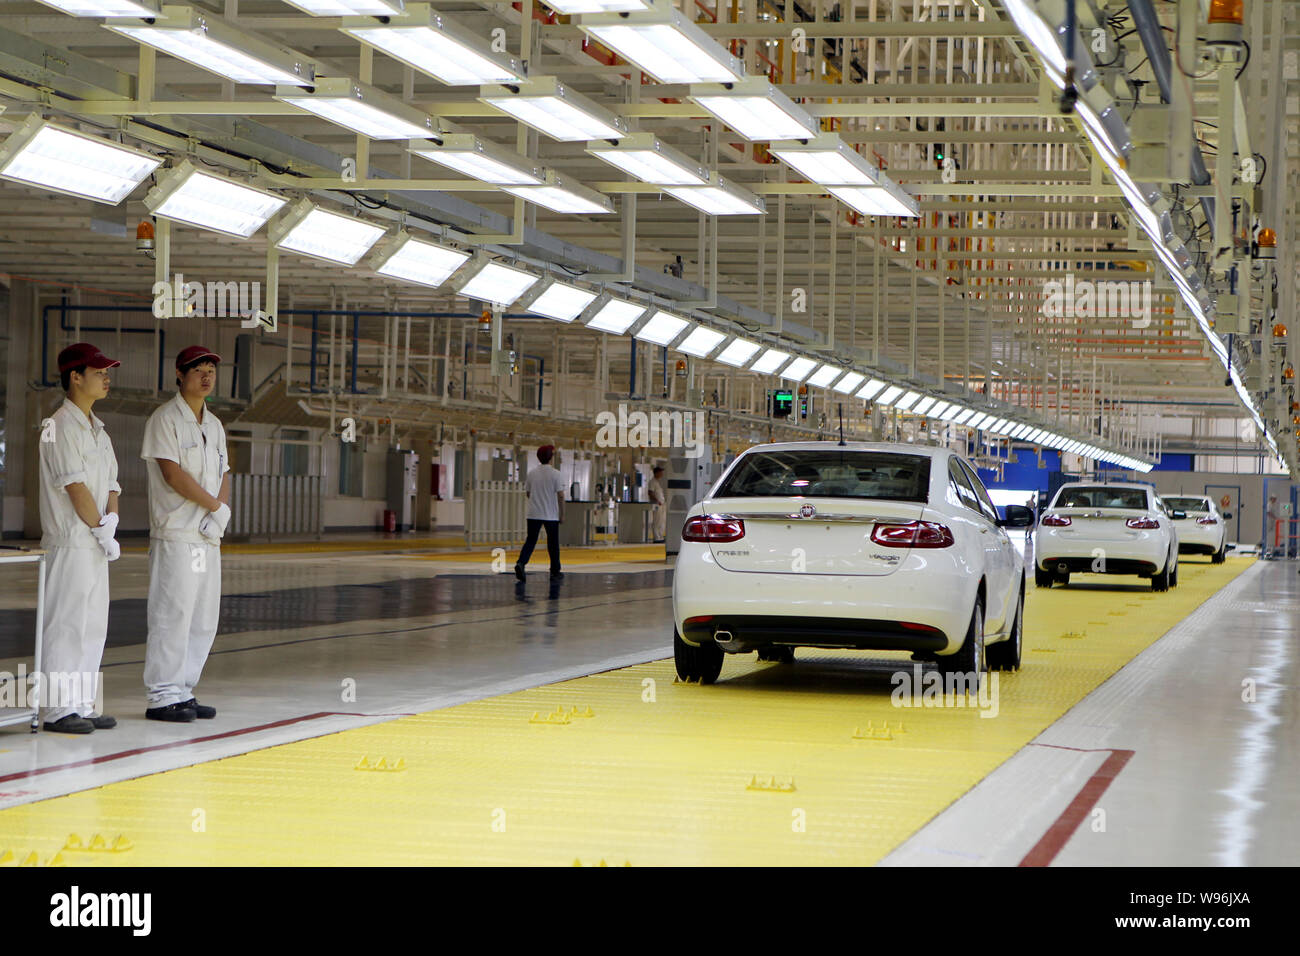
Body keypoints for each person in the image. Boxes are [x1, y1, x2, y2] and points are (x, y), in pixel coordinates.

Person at [140, 346, 231, 722]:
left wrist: (220, 512)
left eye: (211, 369)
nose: (206, 376)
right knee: (171, 614)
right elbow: (173, 475)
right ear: (180, 375)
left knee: (202, 617)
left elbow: (225, 471)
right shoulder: (166, 418)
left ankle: (184, 690)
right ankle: (162, 695)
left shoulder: (214, 424)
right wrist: (214, 506)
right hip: (177, 534)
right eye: (198, 369)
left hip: (207, 536)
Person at [37, 344, 123, 734]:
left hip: (95, 540)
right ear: (75, 376)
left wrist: (111, 524)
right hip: (71, 541)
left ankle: (82, 703)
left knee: (92, 625)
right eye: (99, 371)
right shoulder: (59, 425)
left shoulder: (98, 430)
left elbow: (112, 486)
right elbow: (74, 486)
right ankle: (57, 709)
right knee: (66, 625)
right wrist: (99, 527)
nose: (107, 378)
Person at [514, 444, 565, 581]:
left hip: (533, 514)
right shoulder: (556, 474)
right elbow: (561, 496)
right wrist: (562, 514)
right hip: (551, 515)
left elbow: (528, 493)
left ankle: (521, 563)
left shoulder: (532, 474)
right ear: (551, 458)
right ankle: (555, 571)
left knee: (531, 540)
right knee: (553, 543)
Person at [648, 465, 667, 544]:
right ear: (656, 473)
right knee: (657, 521)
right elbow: (650, 493)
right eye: (660, 472)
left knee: (661, 521)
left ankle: (660, 536)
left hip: (661, 504)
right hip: (657, 504)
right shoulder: (652, 482)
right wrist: (657, 501)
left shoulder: (656, 482)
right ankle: (657, 538)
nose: (662, 474)